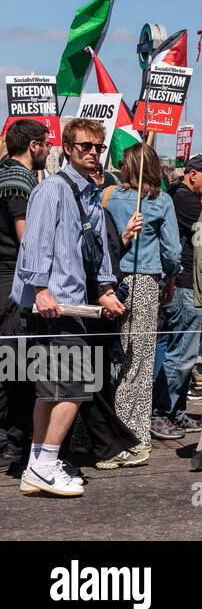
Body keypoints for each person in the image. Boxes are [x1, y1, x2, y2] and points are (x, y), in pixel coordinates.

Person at [14, 118, 129, 497]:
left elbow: (93, 254)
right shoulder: (53, 190)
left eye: (98, 146)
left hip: (74, 304)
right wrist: (41, 288)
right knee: (75, 389)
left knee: (51, 390)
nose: (92, 152)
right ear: (68, 148)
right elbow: (35, 242)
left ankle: (37, 464)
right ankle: (46, 464)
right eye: (84, 146)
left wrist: (106, 290)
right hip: (55, 306)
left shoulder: (90, 194)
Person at [99, 143, 180, 468]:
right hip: (144, 281)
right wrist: (171, 278)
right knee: (140, 362)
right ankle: (131, 439)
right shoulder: (161, 201)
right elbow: (172, 252)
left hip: (109, 282)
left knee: (113, 359)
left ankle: (106, 436)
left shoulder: (107, 195)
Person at [151, 153, 202, 439]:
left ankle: (176, 413)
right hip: (183, 284)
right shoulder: (184, 199)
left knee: (182, 351)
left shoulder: (183, 197)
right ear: (192, 174)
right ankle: (161, 414)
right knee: (182, 354)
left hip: (185, 283)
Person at [0, 120, 48, 465]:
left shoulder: (4, 174)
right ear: (33, 145)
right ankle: (10, 442)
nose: (48, 149)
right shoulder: (19, 182)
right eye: (46, 143)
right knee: (15, 364)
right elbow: (26, 239)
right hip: (11, 282)